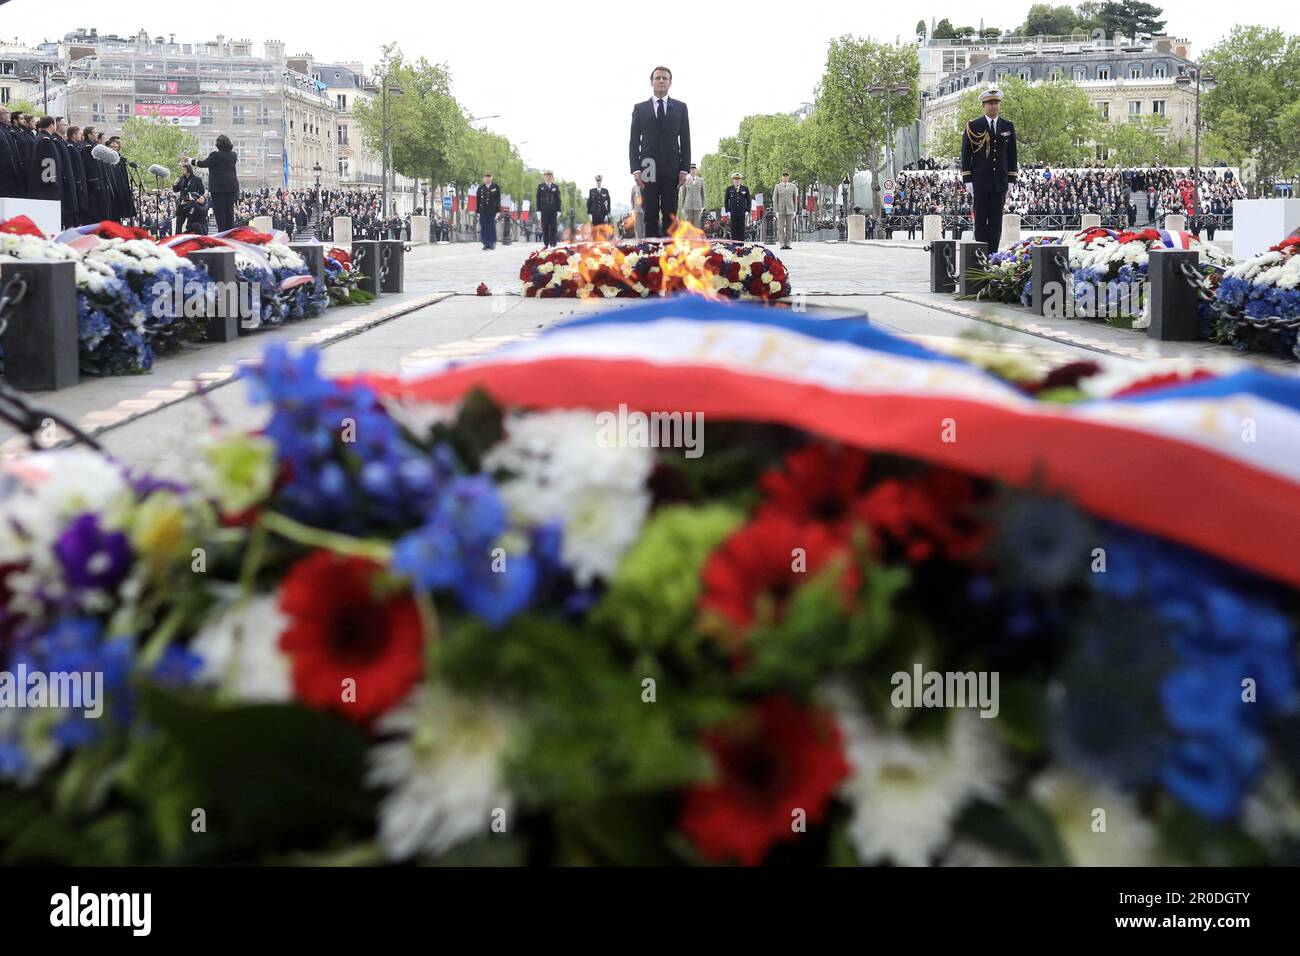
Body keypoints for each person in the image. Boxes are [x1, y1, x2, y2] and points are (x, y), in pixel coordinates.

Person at [628, 65, 691, 237]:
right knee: (650, 215)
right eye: (658, 78)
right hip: (648, 168)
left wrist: (684, 168)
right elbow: (634, 142)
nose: (661, 80)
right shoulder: (640, 109)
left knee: (671, 215)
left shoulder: (681, 107)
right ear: (651, 82)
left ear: (670, 82)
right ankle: (650, 254)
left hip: (672, 167)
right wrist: (636, 169)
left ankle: (669, 256)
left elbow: (685, 140)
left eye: (665, 78)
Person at [961, 86, 1018, 253]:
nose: (994, 106)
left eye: (996, 103)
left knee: (995, 222)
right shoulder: (973, 126)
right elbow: (966, 154)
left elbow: (1012, 155)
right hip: (980, 181)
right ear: (983, 106)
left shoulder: (1007, 126)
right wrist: (967, 179)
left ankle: (992, 255)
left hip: (999, 182)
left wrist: (1012, 179)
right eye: (990, 103)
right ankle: (980, 255)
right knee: (980, 221)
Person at [194, 134, 239, 231]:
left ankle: (222, 231)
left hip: (218, 188)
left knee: (219, 211)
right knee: (229, 210)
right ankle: (230, 230)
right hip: (232, 186)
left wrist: (190, 160)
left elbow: (202, 164)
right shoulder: (234, 155)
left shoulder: (215, 155)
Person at [25, 116, 64, 205]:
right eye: (55, 124)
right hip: (47, 188)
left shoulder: (41, 137)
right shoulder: (46, 140)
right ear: (51, 125)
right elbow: (48, 162)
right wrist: (53, 184)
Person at [105, 136, 137, 224]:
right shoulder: (107, 159)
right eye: (115, 143)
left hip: (120, 190)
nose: (117, 146)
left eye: (118, 144)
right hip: (112, 191)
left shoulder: (121, 159)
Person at [173, 157, 208, 234]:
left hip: (192, 204)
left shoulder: (197, 179)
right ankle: (177, 239)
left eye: (184, 169)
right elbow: (176, 190)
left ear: (188, 170)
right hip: (183, 204)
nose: (182, 171)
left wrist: (195, 196)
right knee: (179, 223)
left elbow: (202, 191)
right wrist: (175, 184)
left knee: (190, 224)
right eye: (181, 169)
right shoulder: (181, 179)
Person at [535, 169, 561, 247]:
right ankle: (546, 243)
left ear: (552, 177)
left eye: (550, 176)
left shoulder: (555, 187)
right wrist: (538, 210)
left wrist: (559, 210)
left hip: (553, 211)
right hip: (544, 210)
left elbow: (558, 199)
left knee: (553, 227)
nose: (548, 177)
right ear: (544, 177)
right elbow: (538, 199)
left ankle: (553, 243)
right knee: (545, 227)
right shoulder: (541, 186)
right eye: (546, 176)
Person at [773, 170, 797, 250]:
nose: (785, 177)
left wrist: (795, 210)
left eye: (786, 176)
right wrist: (776, 210)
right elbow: (775, 199)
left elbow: (795, 199)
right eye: (784, 176)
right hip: (781, 210)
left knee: (789, 228)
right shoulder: (777, 186)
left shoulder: (793, 186)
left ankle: (788, 243)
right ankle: (782, 243)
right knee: (780, 228)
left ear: (788, 177)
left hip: (790, 209)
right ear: (781, 177)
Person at [477, 171, 501, 250]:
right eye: (486, 177)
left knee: (491, 227)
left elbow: (498, 199)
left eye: (489, 177)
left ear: (491, 177)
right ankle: (485, 243)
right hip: (483, 211)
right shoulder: (481, 188)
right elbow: (478, 200)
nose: (487, 178)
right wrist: (477, 212)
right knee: (484, 227)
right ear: (483, 178)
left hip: (492, 211)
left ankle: (492, 242)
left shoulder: (495, 187)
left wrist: (498, 211)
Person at [724, 172, 750, 242]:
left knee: (741, 229)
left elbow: (748, 200)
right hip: (733, 212)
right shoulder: (729, 189)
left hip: (742, 212)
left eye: (738, 179)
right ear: (733, 180)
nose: (737, 181)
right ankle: (734, 245)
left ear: (740, 180)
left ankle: (741, 245)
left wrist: (748, 210)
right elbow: (726, 201)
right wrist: (728, 211)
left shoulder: (745, 189)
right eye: (735, 179)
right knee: (734, 229)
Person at [679, 162, 705, 227]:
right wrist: (682, 207)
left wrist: (703, 206)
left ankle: (696, 237)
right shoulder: (685, 180)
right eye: (691, 169)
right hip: (688, 206)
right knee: (688, 224)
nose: (693, 171)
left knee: (697, 224)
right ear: (689, 170)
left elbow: (703, 194)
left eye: (694, 169)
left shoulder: (701, 180)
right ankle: (688, 237)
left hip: (698, 206)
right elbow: (683, 195)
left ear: (696, 170)